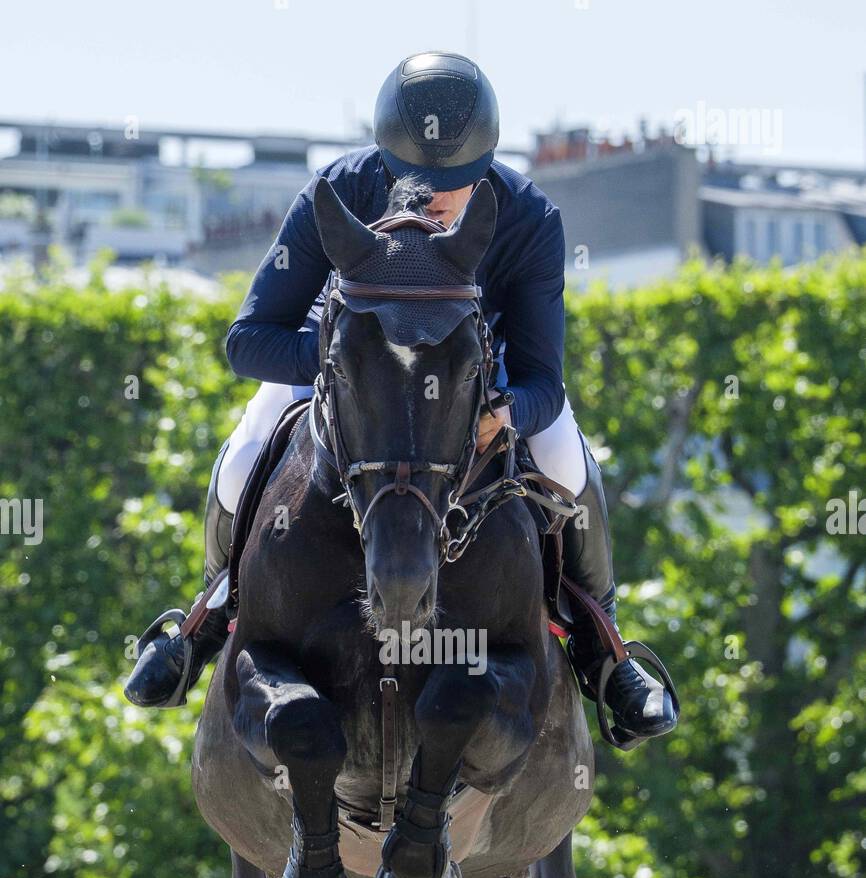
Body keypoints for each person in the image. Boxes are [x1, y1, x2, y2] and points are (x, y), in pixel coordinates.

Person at [124, 51, 678, 746]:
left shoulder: (530, 220)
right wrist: (343, 363)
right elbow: (248, 339)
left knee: (568, 459)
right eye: (411, 178)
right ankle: (205, 620)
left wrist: (506, 413)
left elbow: (543, 377)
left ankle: (605, 655)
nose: (431, 197)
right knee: (244, 454)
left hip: (476, 380)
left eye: (453, 183)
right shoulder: (340, 189)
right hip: (342, 364)